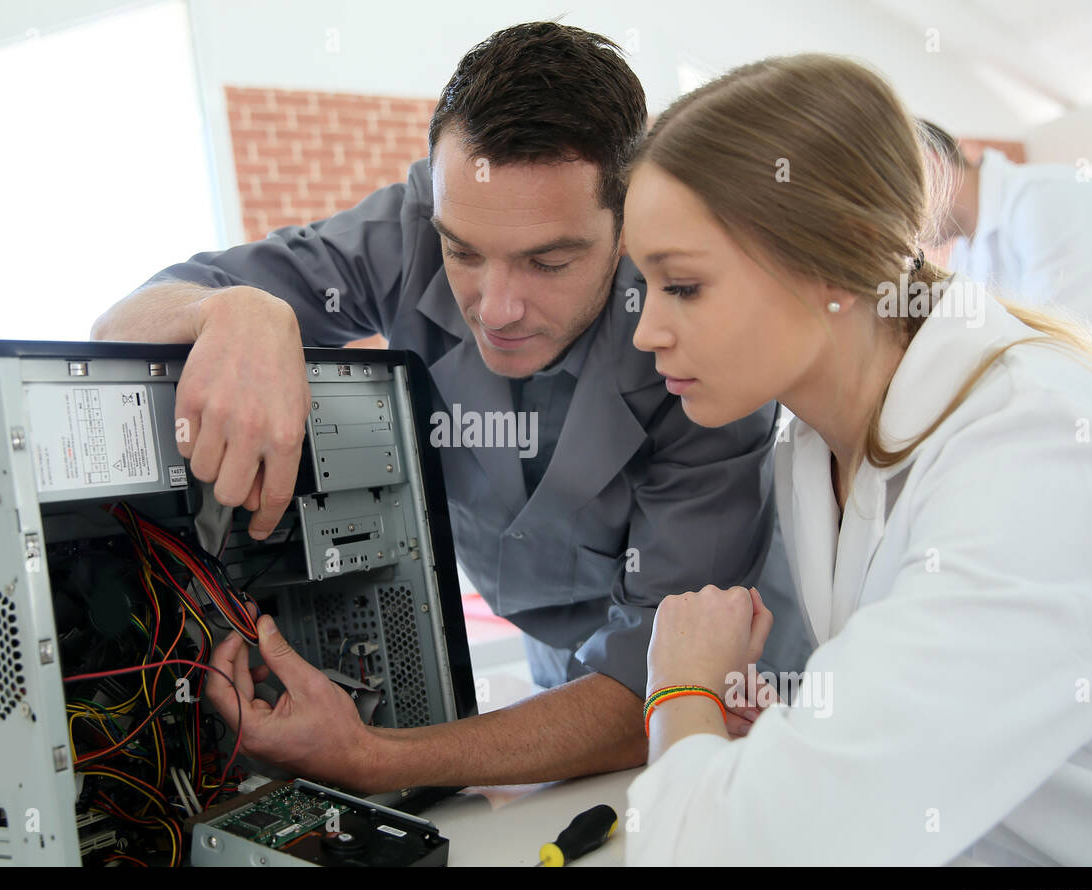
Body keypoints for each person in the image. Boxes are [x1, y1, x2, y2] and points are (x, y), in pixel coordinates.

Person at [91, 22, 809, 793]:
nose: (495, 307)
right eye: (463, 251)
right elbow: (121, 323)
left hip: (730, 704)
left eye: (550, 261)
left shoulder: (702, 351)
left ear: (632, 226)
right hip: (558, 685)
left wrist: (371, 758)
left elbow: (651, 681)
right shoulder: (405, 235)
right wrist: (235, 311)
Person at [623, 54, 1092, 865]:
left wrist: (679, 689)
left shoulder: (1034, 451)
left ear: (837, 262)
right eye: (640, 285)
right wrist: (811, 730)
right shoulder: (809, 448)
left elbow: (720, 854)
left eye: (682, 286)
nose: (647, 330)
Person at [920, 118, 1092, 364]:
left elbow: (1062, 350)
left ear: (932, 165)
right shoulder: (964, 255)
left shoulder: (1045, 198)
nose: (905, 229)